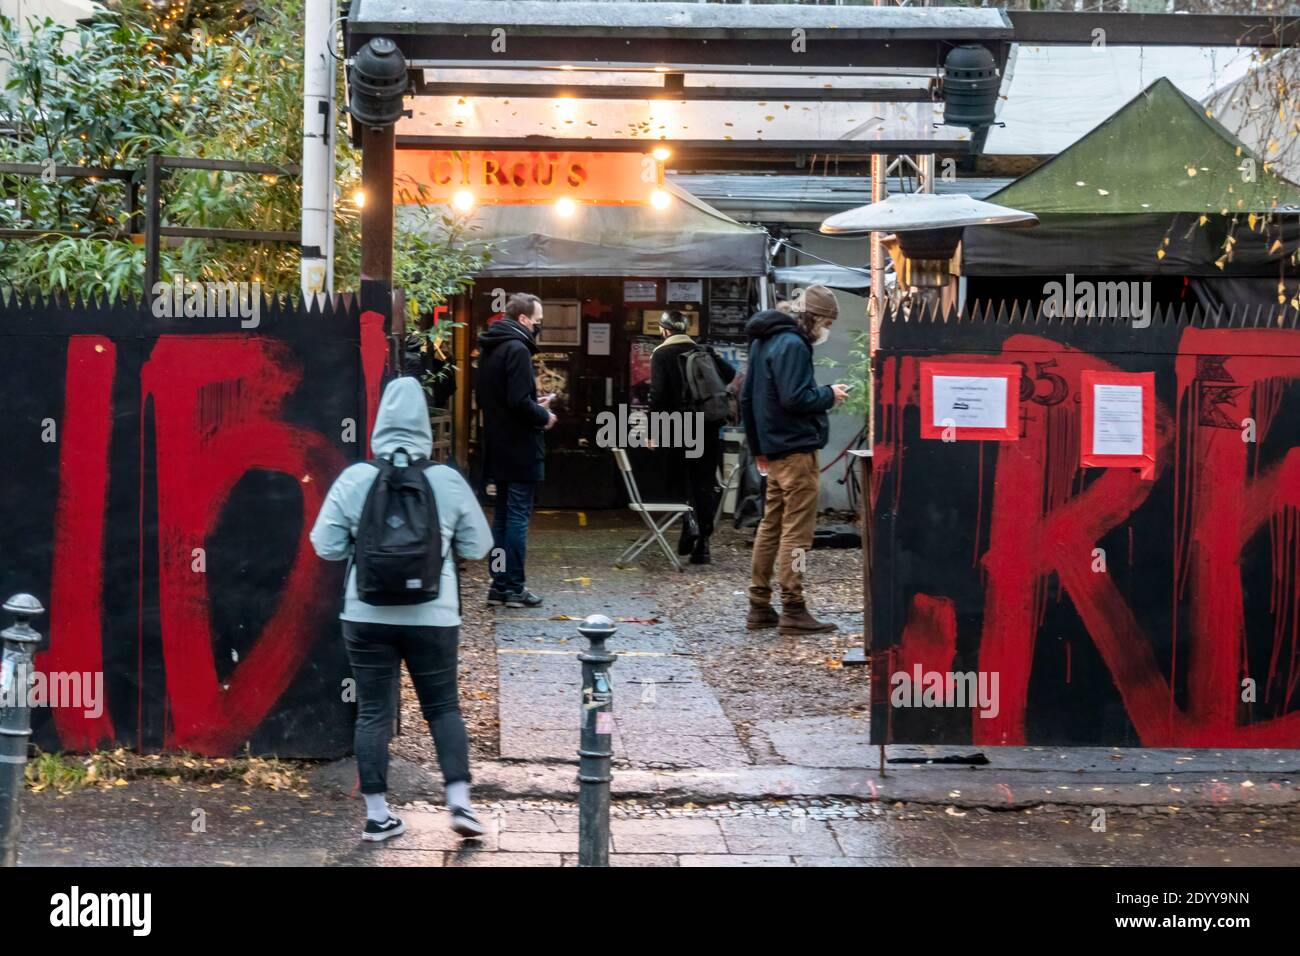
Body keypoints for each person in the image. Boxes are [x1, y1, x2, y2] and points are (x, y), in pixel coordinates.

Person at [310, 376, 492, 842]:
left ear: (378, 426)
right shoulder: (446, 480)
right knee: (444, 707)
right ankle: (460, 805)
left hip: (365, 614)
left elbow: (325, 546)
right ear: (425, 429)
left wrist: (361, 545)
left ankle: (377, 815)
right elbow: (480, 546)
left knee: (372, 710)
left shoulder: (355, 479)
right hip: (434, 614)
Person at [740, 284, 850, 635]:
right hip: (798, 451)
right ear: (815, 318)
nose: (826, 331)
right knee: (798, 535)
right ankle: (794, 606)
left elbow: (745, 397)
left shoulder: (763, 339)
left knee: (770, 526)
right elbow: (796, 398)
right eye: (828, 322)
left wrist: (759, 448)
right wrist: (829, 395)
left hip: (773, 451)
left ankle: (759, 604)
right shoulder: (793, 344)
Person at [476, 292, 556, 607]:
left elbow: (495, 398)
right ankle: (515, 586)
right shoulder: (518, 349)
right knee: (518, 517)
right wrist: (544, 415)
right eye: (537, 321)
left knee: (501, 518)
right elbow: (519, 401)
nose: (539, 326)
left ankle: (498, 584)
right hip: (521, 446)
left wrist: (530, 405)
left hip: (497, 443)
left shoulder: (490, 348)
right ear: (523, 319)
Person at [648, 309, 736, 564]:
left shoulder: (661, 353)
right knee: (704, 483)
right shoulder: (705, 351)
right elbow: (730, 376)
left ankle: (690, 523)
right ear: (686, 329)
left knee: (682, 480)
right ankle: (704, 546)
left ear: (664, 330)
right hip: (707, 426)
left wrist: (653, 432)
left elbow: (658, 395)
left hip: (679, 427)